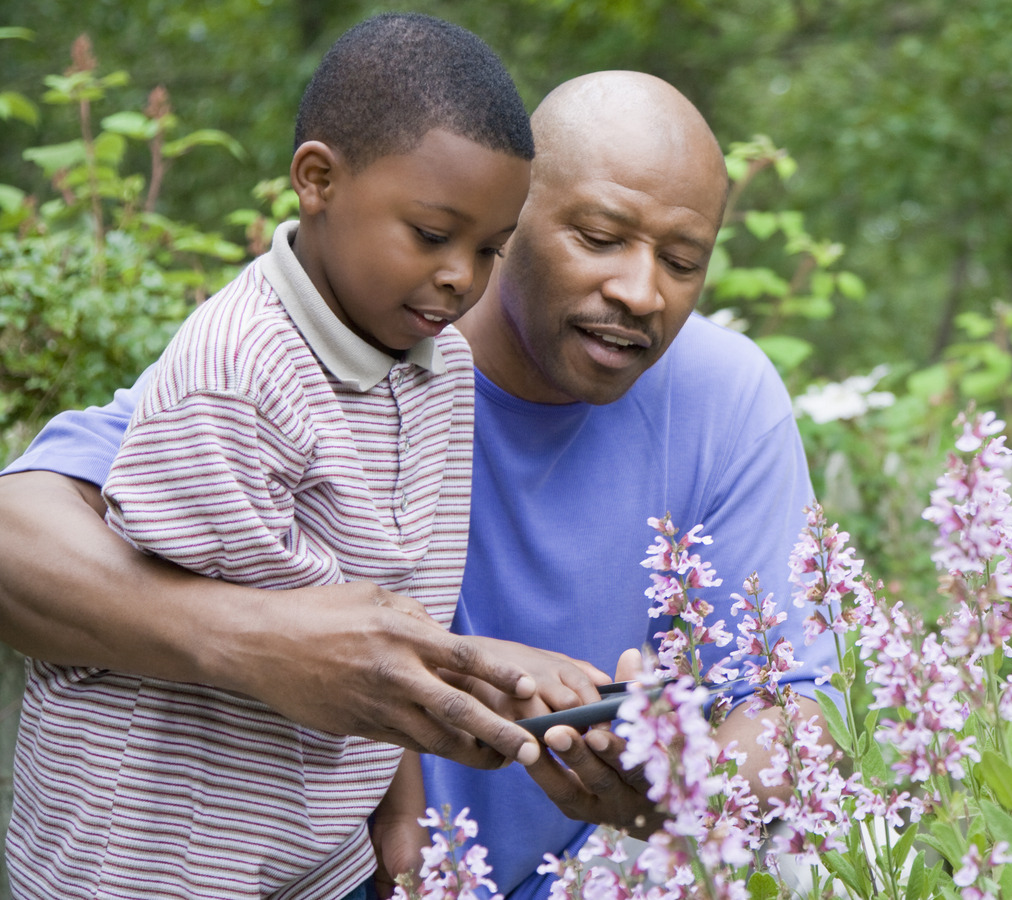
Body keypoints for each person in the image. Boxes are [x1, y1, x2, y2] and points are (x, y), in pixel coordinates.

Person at [0, 69, 836, 900]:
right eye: (599, 236)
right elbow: (17, 531)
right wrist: (274, 641)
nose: (640, 290)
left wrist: (686, 781)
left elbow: (799, 707)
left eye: (682, 261)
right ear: (516, 221)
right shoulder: (363, 343)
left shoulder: (725, 396)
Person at [3, 13, 534, 900]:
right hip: (149, 861)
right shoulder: (239, 375)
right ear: (318, 180)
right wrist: (508, 675)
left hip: (308, 858)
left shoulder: (443, 373)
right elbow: (303, 646)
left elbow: (388, 619)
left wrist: (399, 814)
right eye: (432, 235)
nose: (462, 278)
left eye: (488, 250)